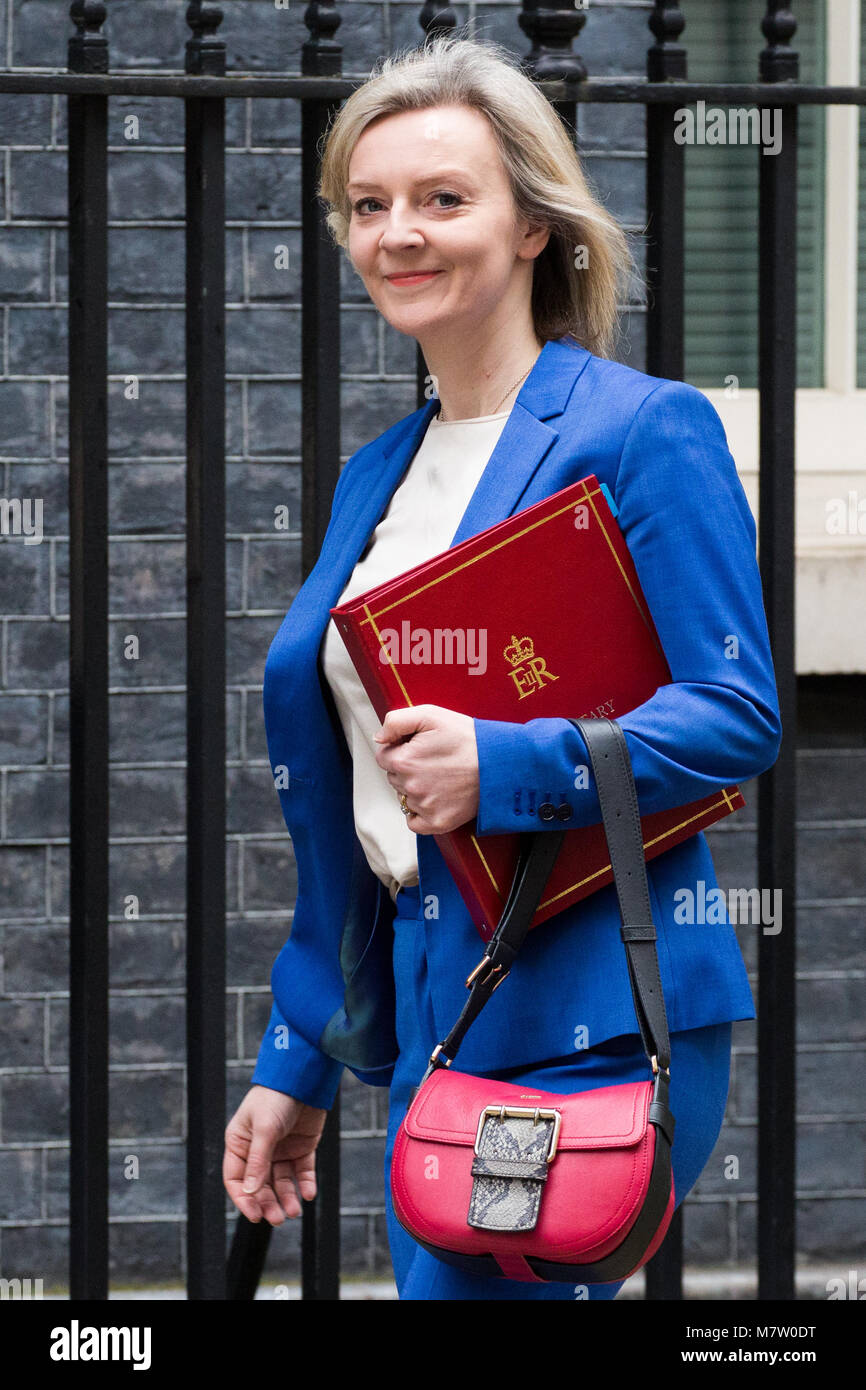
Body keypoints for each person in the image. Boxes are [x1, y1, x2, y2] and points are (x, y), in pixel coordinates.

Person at [222, 33, 781, 1300]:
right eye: (367, 207)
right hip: (436, 1018)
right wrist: (299, 1057)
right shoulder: (377, 475)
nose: (395, 234)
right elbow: (372, 808)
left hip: (594, 1014)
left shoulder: (639, 430)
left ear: (533, 224)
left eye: (440, 199)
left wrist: (509, 762)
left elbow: (738, 711)